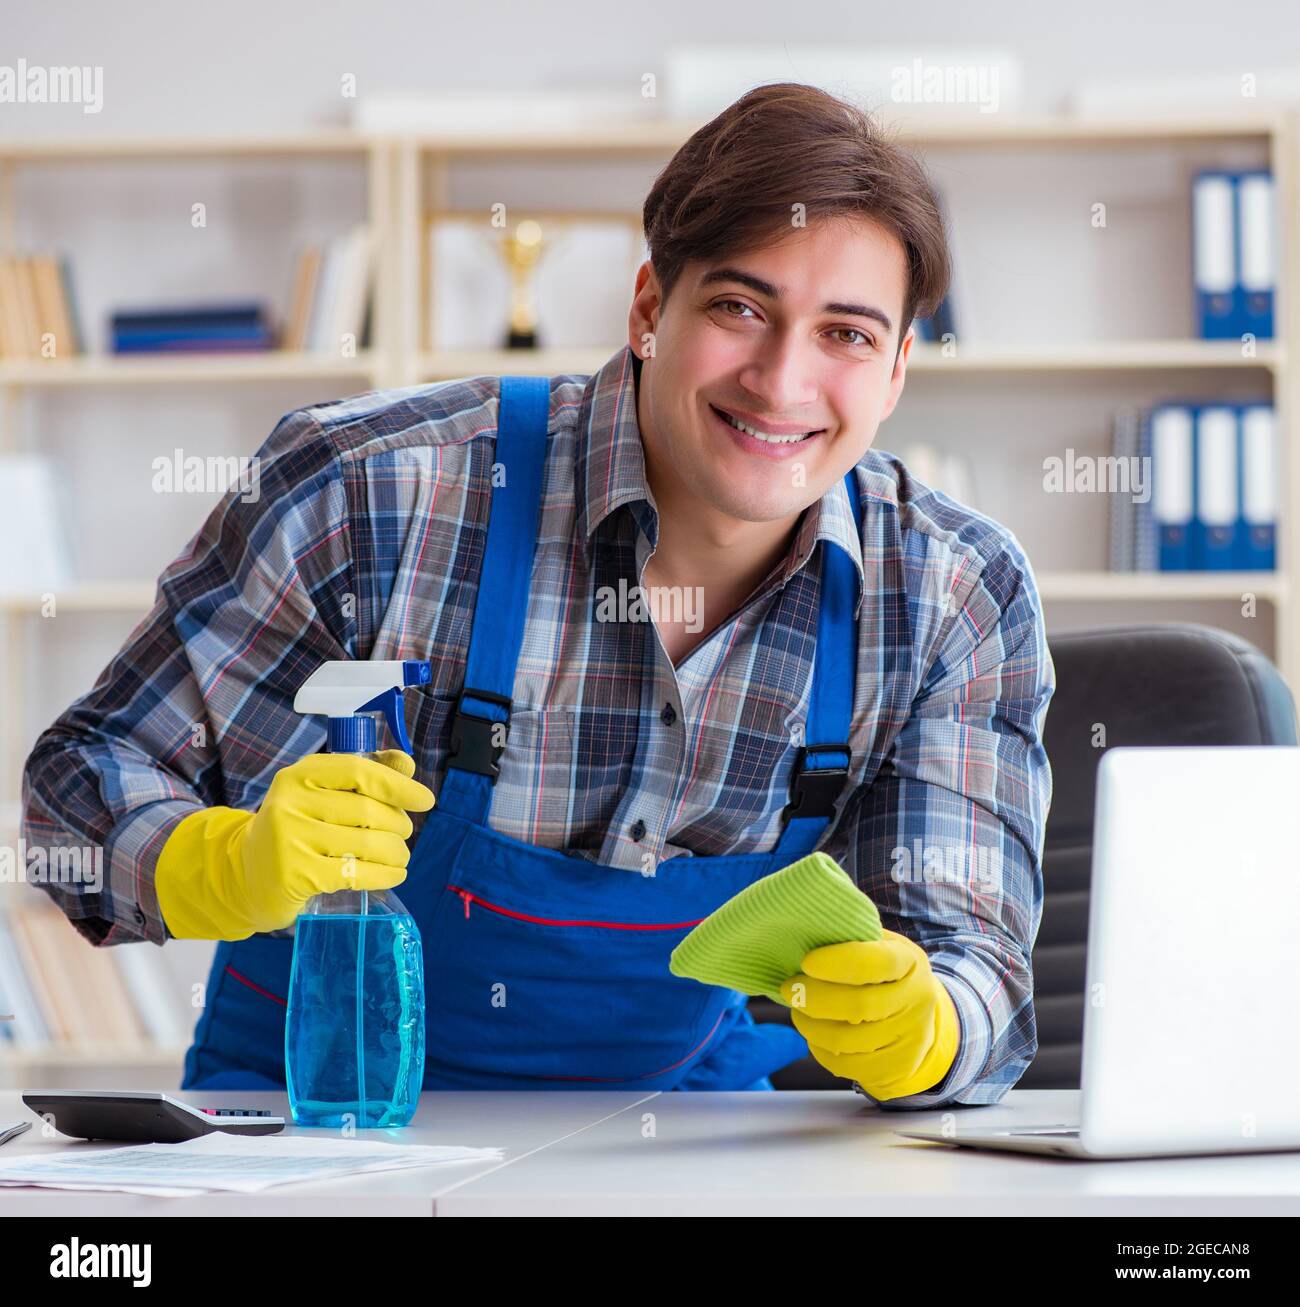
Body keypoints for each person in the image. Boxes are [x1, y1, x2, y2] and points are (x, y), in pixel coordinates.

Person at [22, 82, 1053, 1103]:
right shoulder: (373, 490)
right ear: (649, 306)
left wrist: (929, 1026)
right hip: (318, 1120)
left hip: (674, 1134)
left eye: (846, 334)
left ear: (897, 369)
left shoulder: (950, 594)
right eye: (740, 307)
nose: (782, 382)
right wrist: (220, 859)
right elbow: (75, 794)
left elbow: (975, 963)